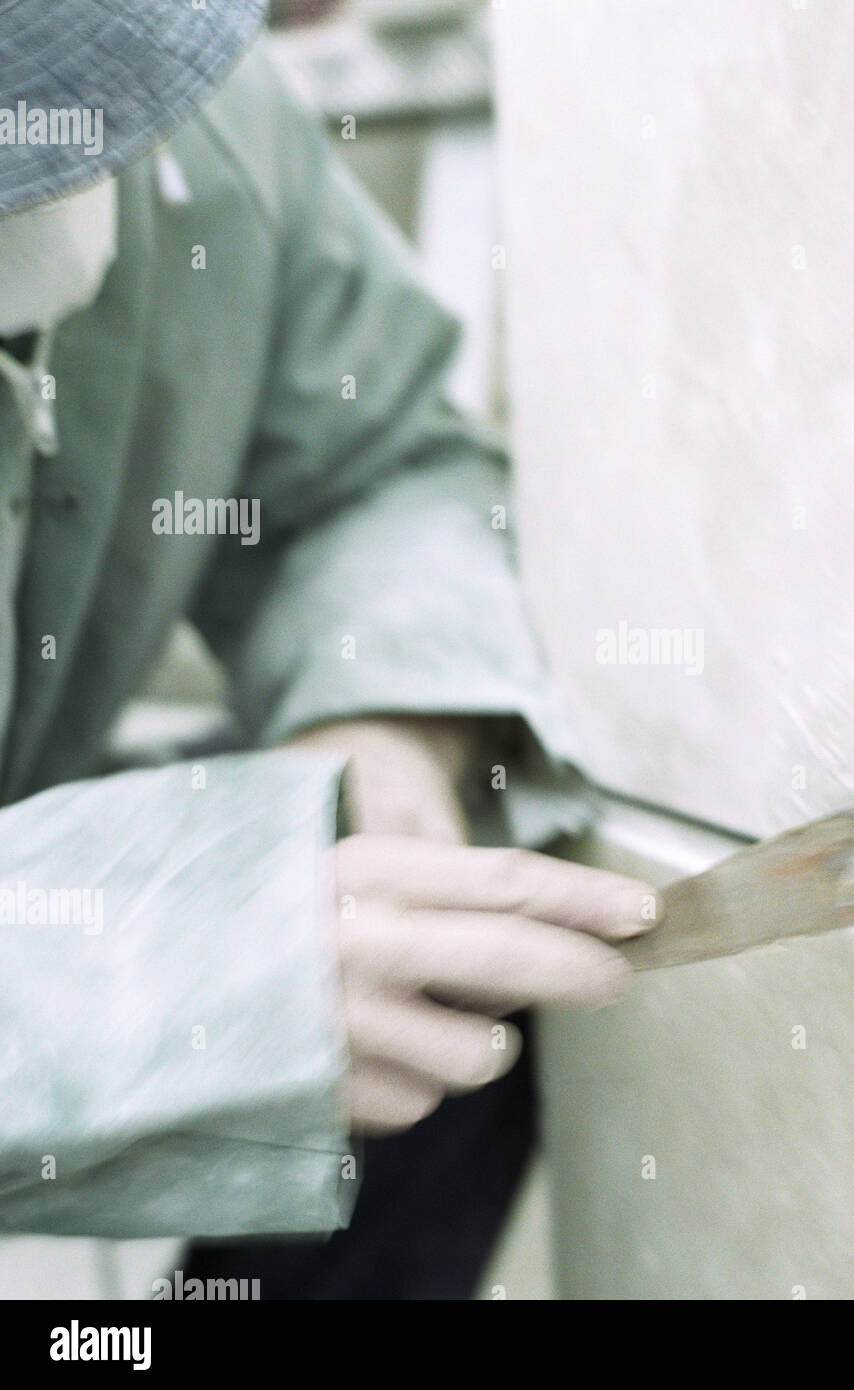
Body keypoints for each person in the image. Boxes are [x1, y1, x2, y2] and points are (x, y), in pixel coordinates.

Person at [0, 0, 658, 1297]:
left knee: (461, 910)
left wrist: (388, 723)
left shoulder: (207, 127)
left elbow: (375, 470)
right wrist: (133, 973)